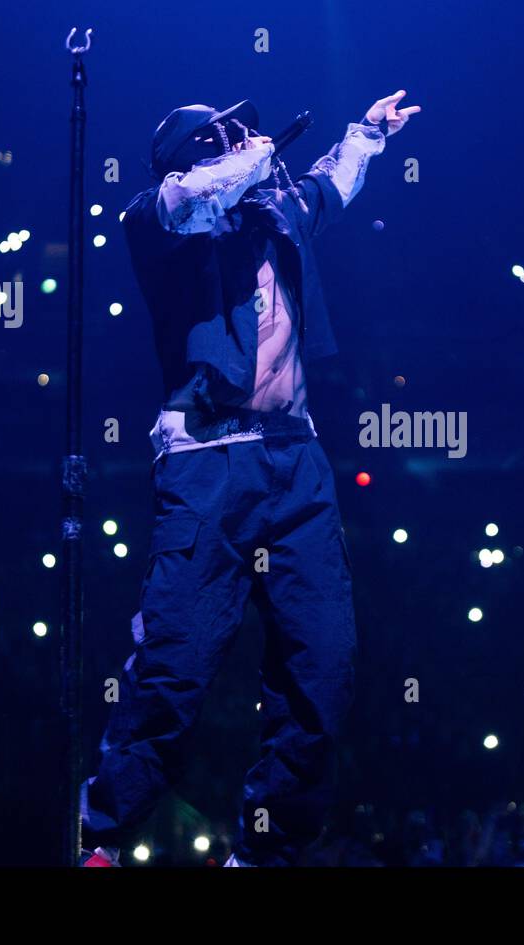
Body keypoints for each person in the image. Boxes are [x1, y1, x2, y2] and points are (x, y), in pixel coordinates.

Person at [79, 91, 420, 867]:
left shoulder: (280, 209)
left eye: (242, 129)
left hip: (296, 460)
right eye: (223, 133)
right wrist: (252, 157)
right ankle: (101, 837)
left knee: (324, 666)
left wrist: (365, 135)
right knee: (176, 665)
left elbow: (333, 183)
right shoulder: (156, 218)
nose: (245, 135)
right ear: (191, 152)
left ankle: (268, 850)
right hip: (207, 462)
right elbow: (194, 197)